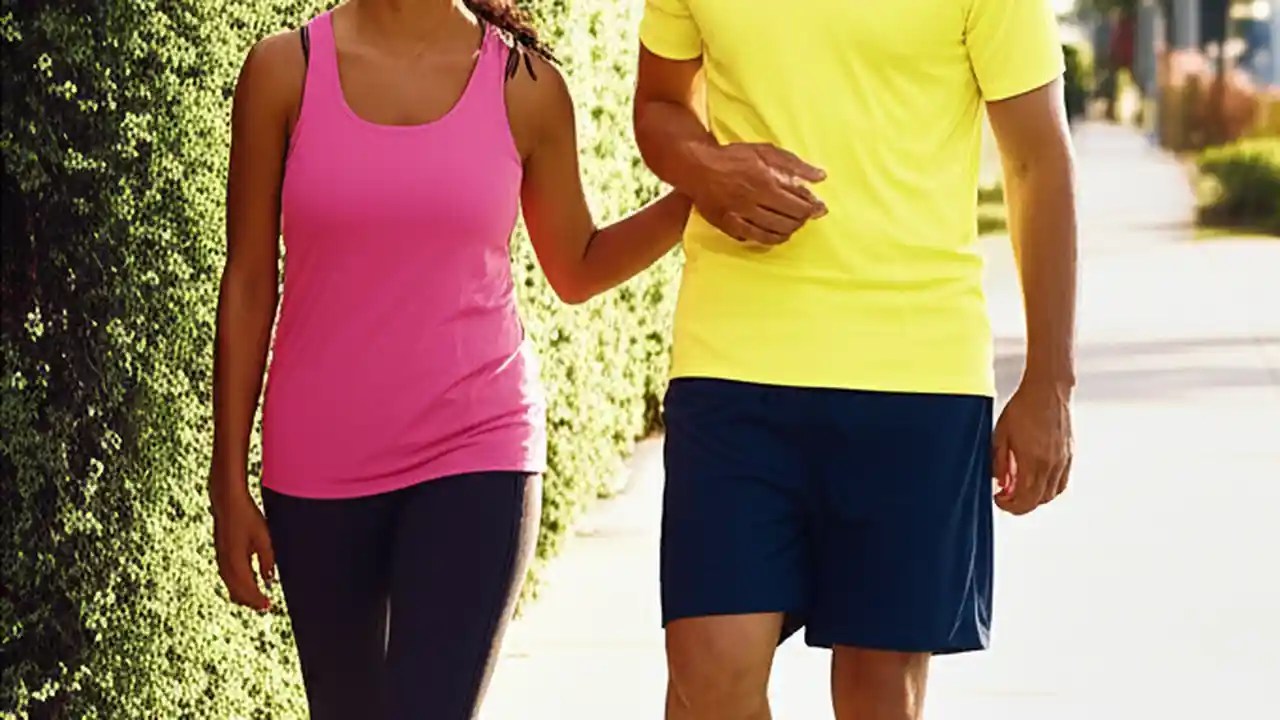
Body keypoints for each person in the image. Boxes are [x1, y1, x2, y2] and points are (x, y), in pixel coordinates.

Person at [208, 1, 736, 718]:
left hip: (476, 451)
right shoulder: (282, 72)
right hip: (317, 466)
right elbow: (246, 283)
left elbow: (575, 266)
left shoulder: (524, 85)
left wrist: (699, 194)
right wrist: (226, 475)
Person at [633, 1, 1078, 719]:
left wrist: (1050, 380)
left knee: (879, 696)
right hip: (733, 359)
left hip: (915, 370)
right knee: (707, 676)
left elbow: (1037, 160)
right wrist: (703, 167)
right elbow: (658, 104)